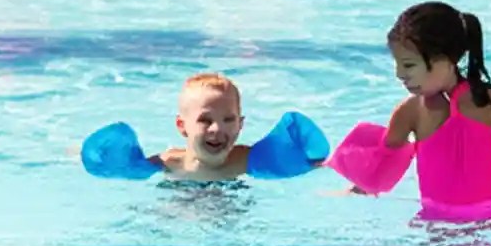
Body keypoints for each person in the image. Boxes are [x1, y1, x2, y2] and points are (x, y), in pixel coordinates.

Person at [325, 1, 491, 221]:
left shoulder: (489, 101)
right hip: (436, 220)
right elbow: (380, 165)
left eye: (409, 64)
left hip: (489, 217)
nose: (399, 73)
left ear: (447, 59)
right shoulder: (411, 111)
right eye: (397, 64)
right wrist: (353, 188)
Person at [81, 72, 329, 183]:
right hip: (180, 203)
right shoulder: (170, 163)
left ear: (241, 125)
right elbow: (124, 168)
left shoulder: (245, 160)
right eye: (205, 120)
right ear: (182, 126)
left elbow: (316, 165)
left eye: (228, 119)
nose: (216, 129)